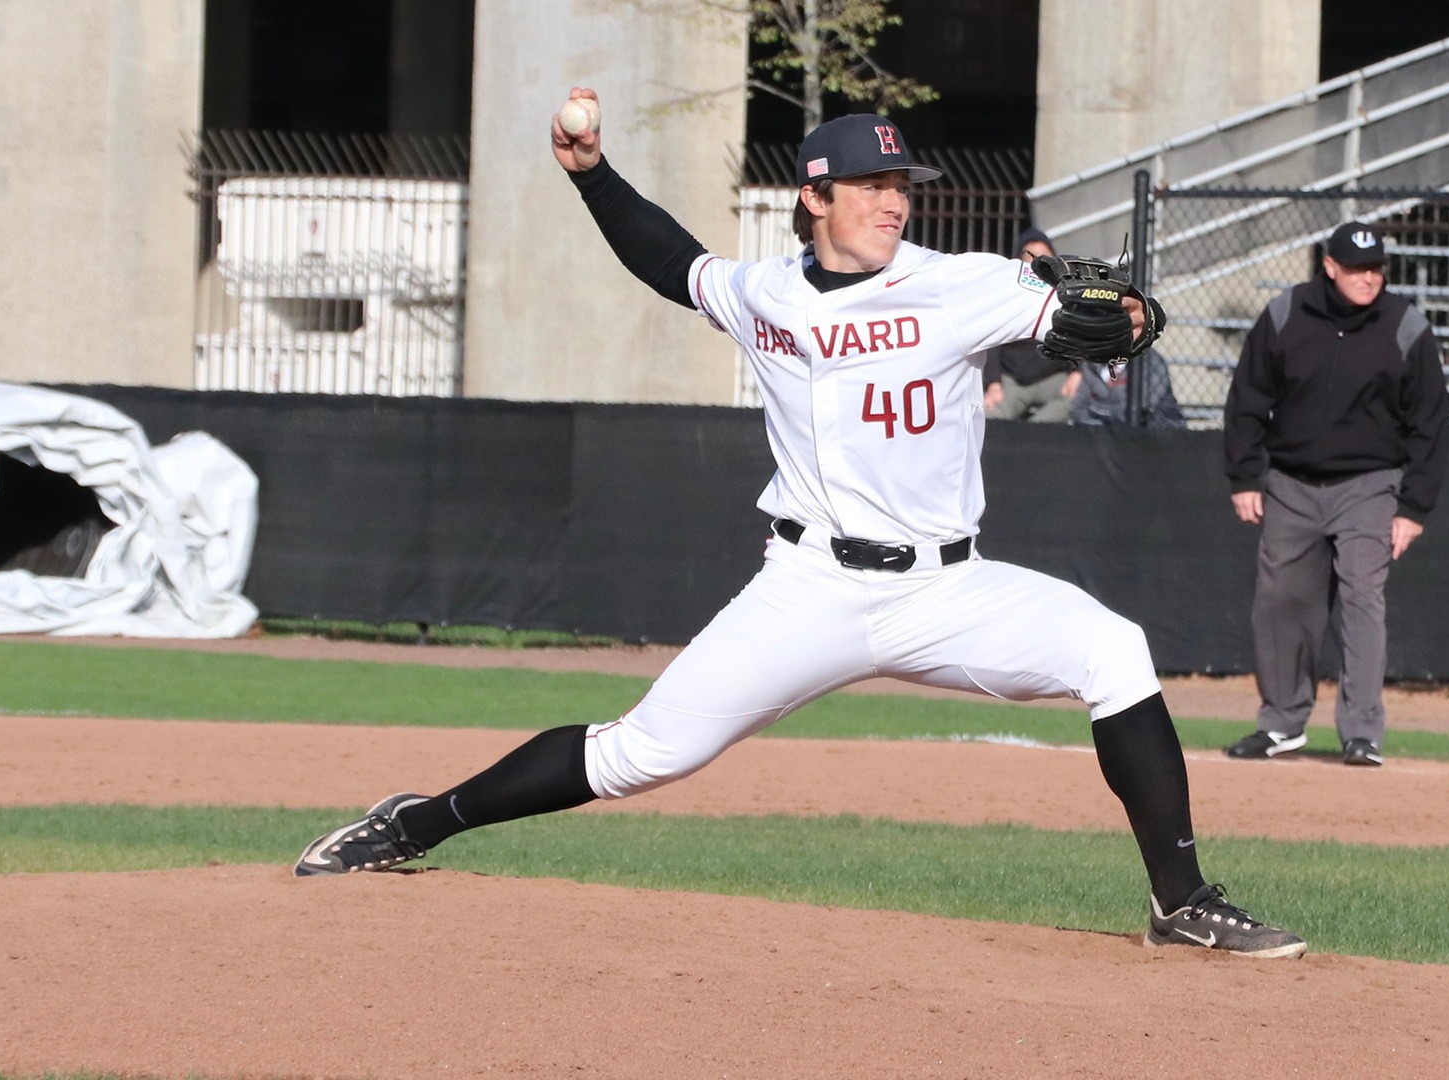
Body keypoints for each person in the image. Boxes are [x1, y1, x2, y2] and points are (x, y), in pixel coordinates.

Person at [291, 91, 1307, 959]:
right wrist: (592, 173)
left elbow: (1099, 316)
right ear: (816, 196)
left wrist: (1117, 314)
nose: (894, 202)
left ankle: (1180, 904)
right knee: (637, 756)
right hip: (809, 590)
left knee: (1113, 650)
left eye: (903, 186)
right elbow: (671, 263)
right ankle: (412, 823)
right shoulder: (764, 294)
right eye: (871, 186)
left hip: (946, 589)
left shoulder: (962, 284)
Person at [1220, 223, 1449, 768]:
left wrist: (1414, 507)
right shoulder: (1285, 314)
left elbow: (1431, 423)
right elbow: (1248, 398)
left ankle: (1362, 732)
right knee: (1281, 602)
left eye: (1376, 269)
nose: (1368, 278)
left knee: (1361, 598)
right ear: (1329, 267)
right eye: (1356, 269)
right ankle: (1281, 723)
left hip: (1371, 485)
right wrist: (1245, 475)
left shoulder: (1405, 326)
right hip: (1291, 483)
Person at [981, 228, 1076, 422]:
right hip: (1013, 381)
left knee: (1075, 401)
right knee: (989, 414)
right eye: (1031, 257)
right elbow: (992, 345)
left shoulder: (1066, 297)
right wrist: (993, 384)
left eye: (1044, 257)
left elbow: (1081, 338)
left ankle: (1032, 433)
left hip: (1053, 378)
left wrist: (1077, 374)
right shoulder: (1006, 297)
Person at [1067, 351, 1185, 428]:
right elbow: (1078, 408)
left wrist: (1096, 409)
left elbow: (1140, 410)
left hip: (1157, 436)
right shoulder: (1092, 363)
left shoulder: (1152, 362)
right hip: (1103, 436)